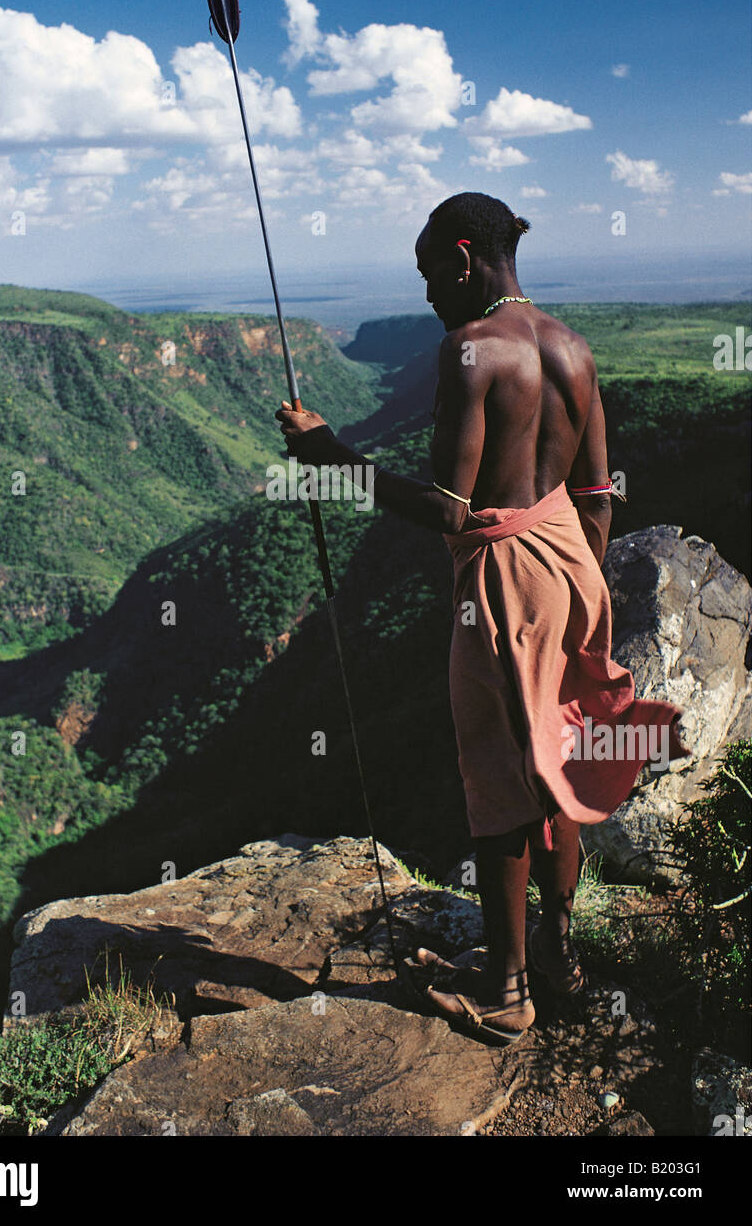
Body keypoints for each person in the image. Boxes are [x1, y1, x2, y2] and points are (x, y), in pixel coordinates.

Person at [275, 191, 687, 1044]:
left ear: (463, 258)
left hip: (504, 578)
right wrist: (580, 574)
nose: (427, 294)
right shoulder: (570, 346)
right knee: (557, 762)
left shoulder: (471, 350)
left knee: (501, 776)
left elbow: (450, 510)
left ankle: (503, 989)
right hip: (573, 560)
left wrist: (328, 458)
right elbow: (598, 487)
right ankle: (553, 954)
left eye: (430, 274)